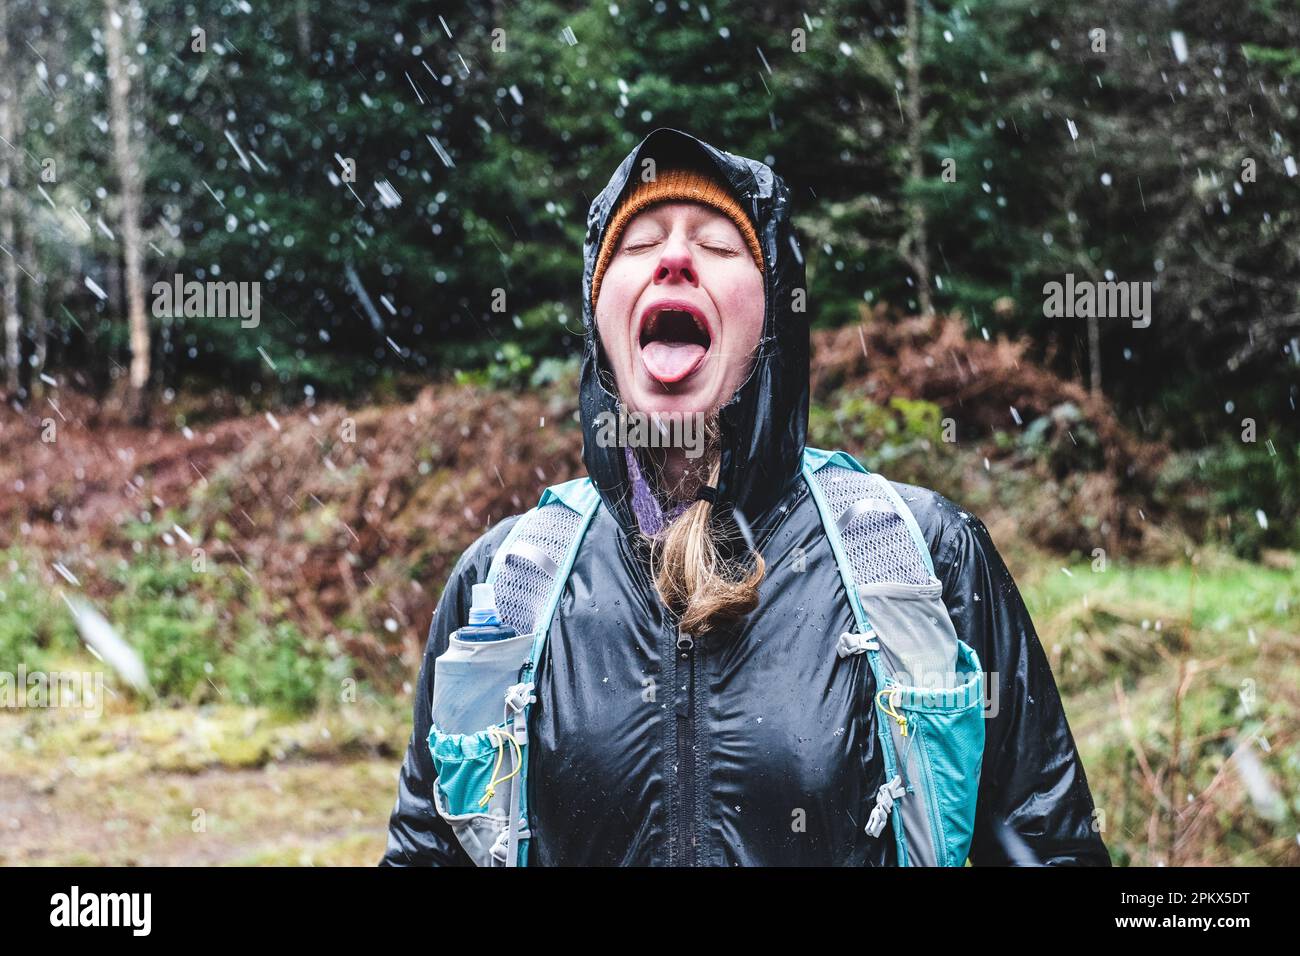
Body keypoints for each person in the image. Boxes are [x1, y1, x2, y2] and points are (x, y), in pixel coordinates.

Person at [381, 127, 1109, 866]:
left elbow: (1049, 848)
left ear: (773, 317)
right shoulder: (504, 585)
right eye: (637, 247)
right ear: (600, 318)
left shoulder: (925, 555)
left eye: (718, 247)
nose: (672, 258)